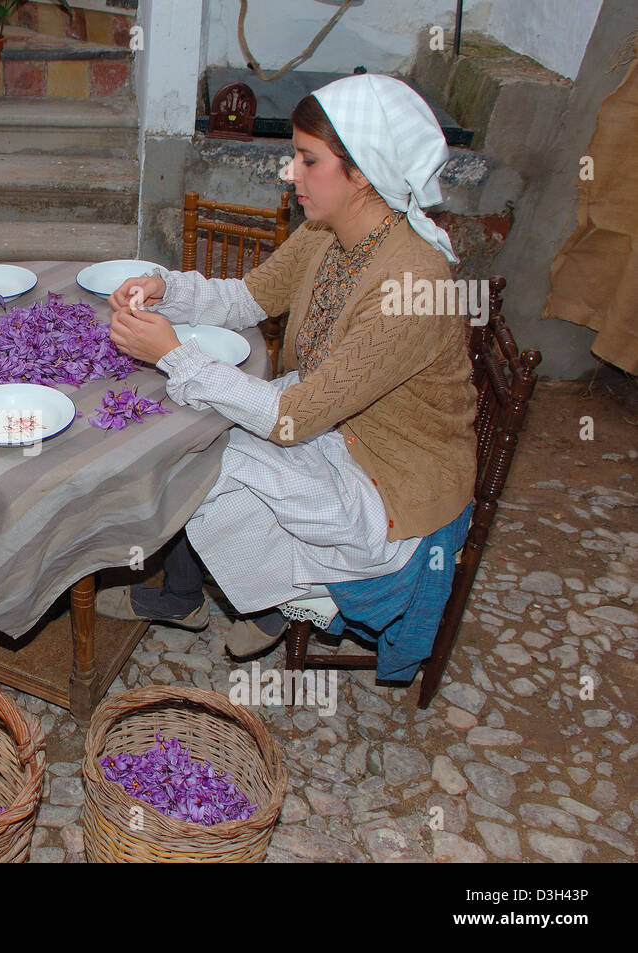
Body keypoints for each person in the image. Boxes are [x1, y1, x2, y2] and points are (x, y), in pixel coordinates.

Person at [98, 74, 478, 671]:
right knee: (188, 435)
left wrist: (172, 354)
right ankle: (193, 593)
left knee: (200, 464)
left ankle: (279, 595)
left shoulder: (414, 286)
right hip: (330, 426)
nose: (289, 174)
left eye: (307, 160)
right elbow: (247, 299)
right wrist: (164, 287)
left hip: (391, 479)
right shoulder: (329, 233)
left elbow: (291, 420)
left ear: (363, 170)